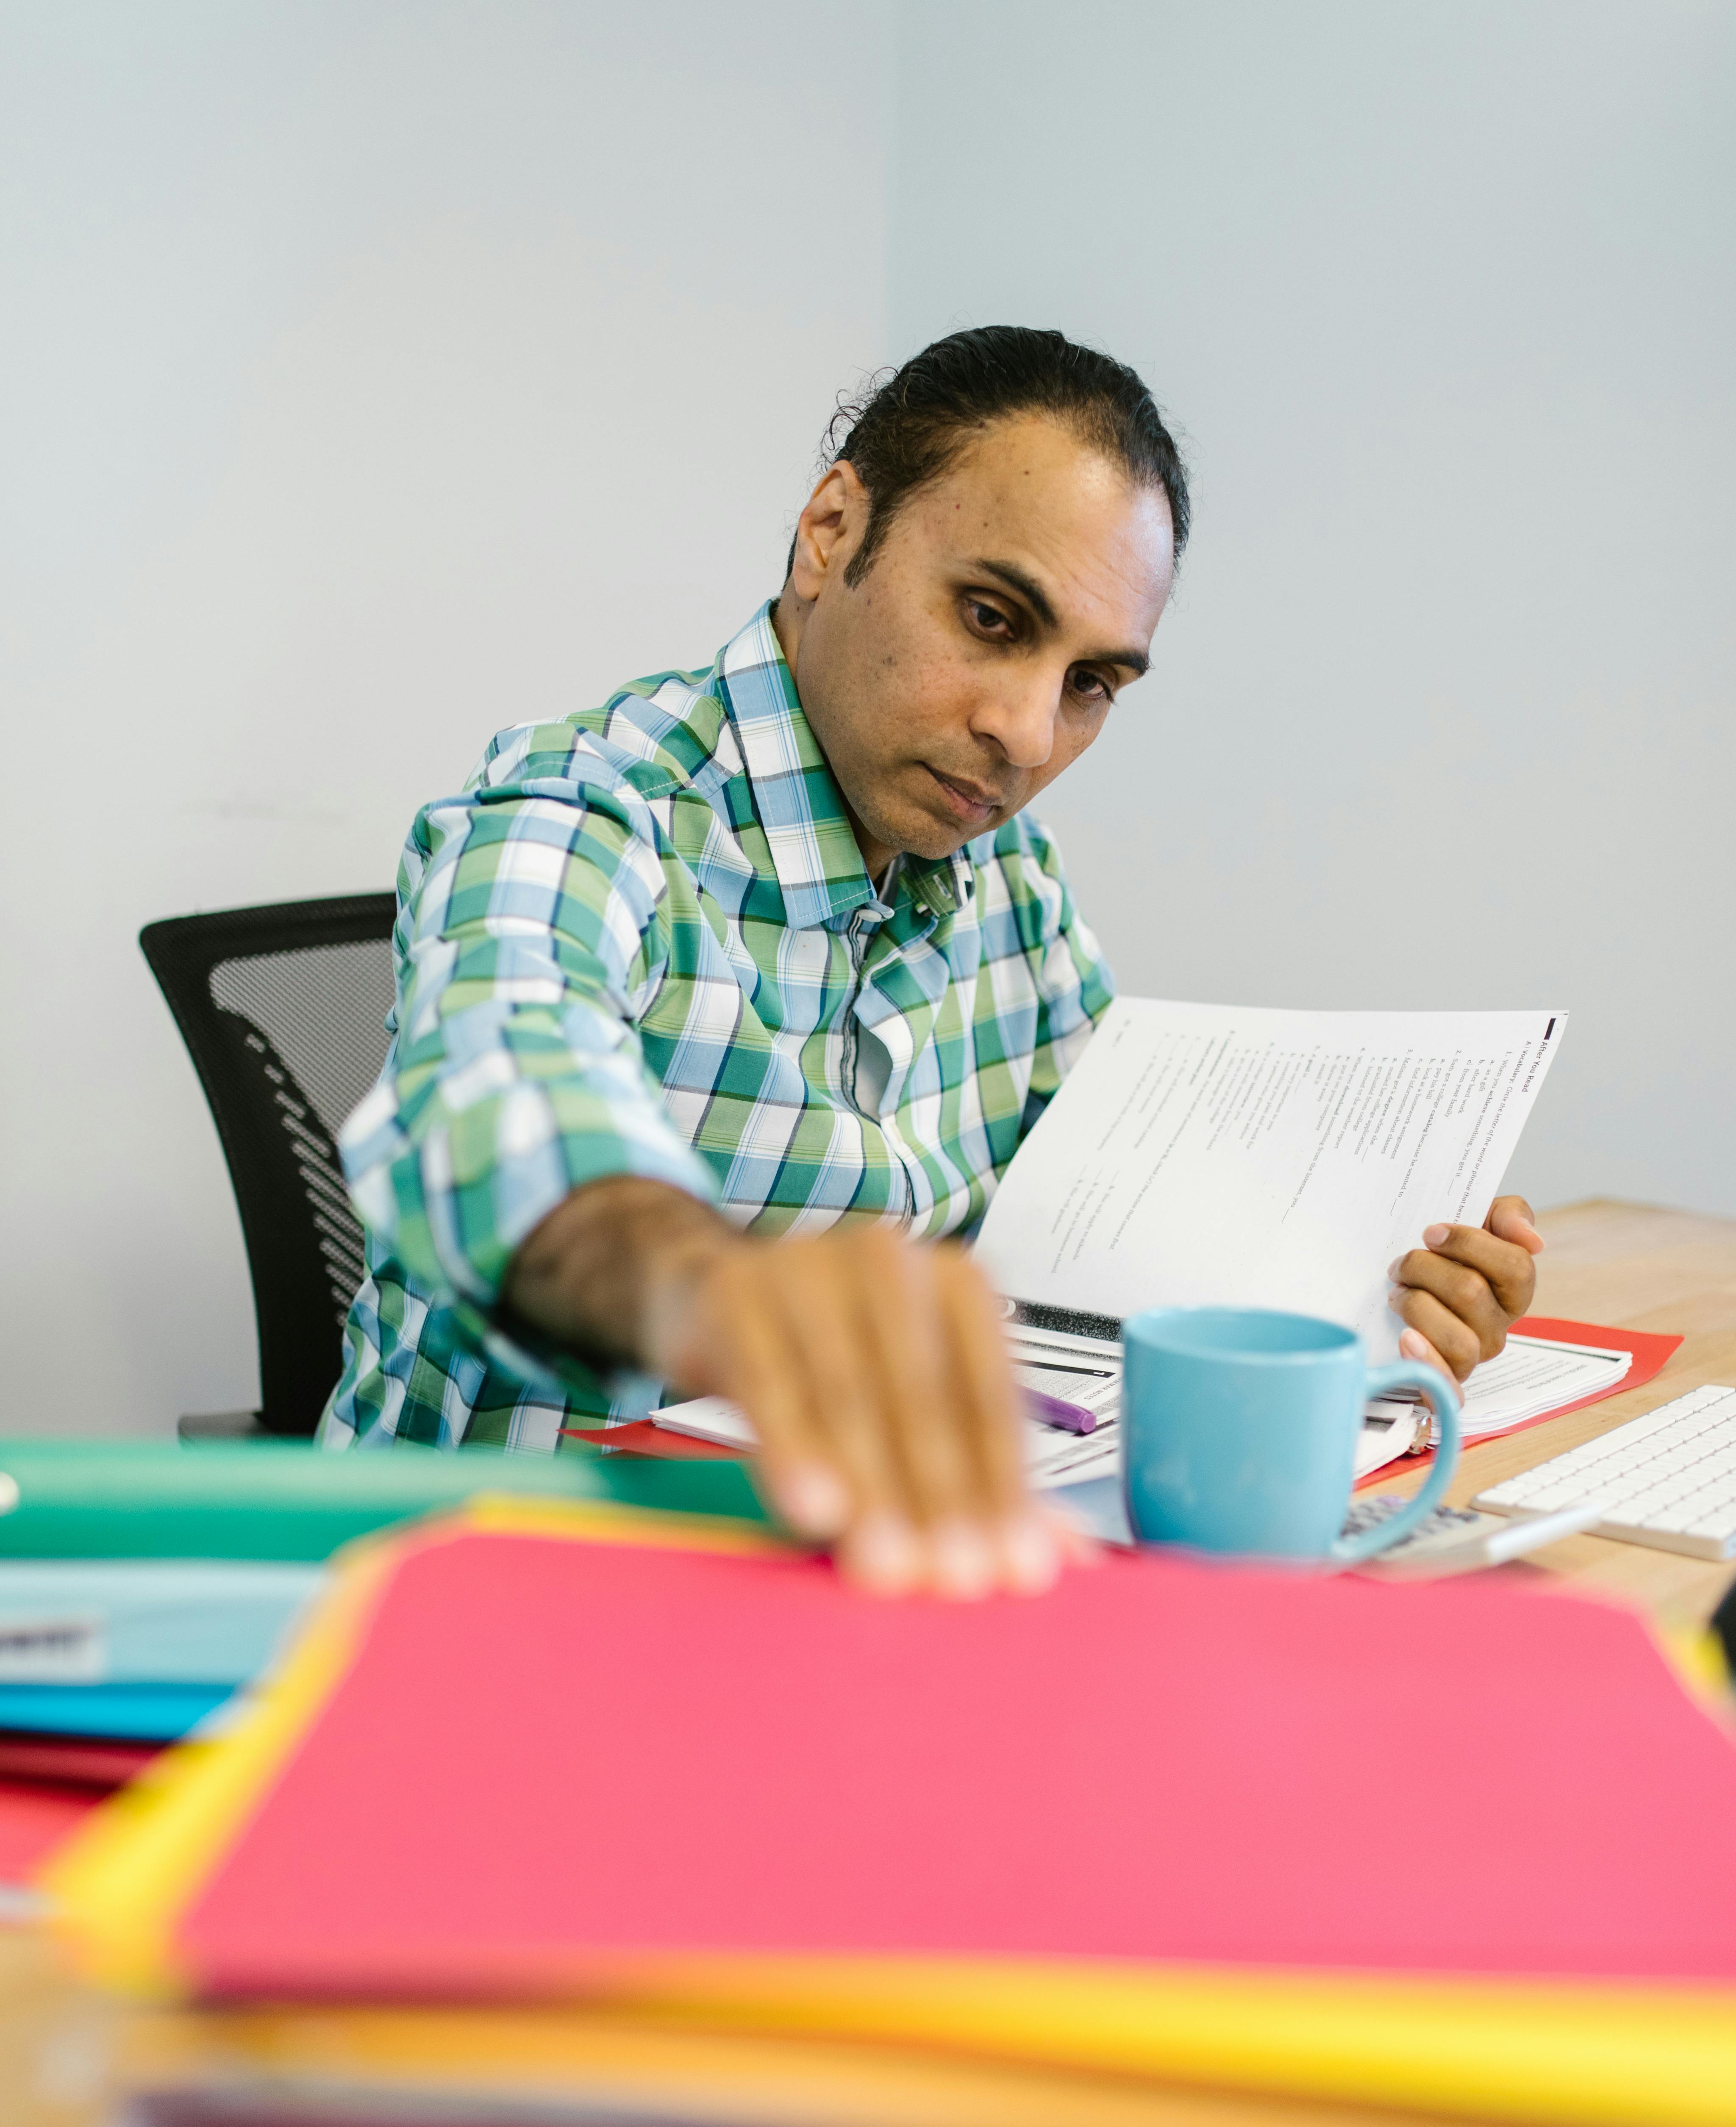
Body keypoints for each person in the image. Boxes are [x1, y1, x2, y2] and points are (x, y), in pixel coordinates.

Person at [322, 326, 1542, 1594]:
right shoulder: (579, 813)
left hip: (849, 1607)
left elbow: (1111, 1233)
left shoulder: (1010, 882)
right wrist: (716, 1293)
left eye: (1090, 684)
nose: (1022, 732)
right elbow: (498, 1115)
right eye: (990, 617)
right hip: (475, 1611)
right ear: (832, 528)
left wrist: (1373, 1296)